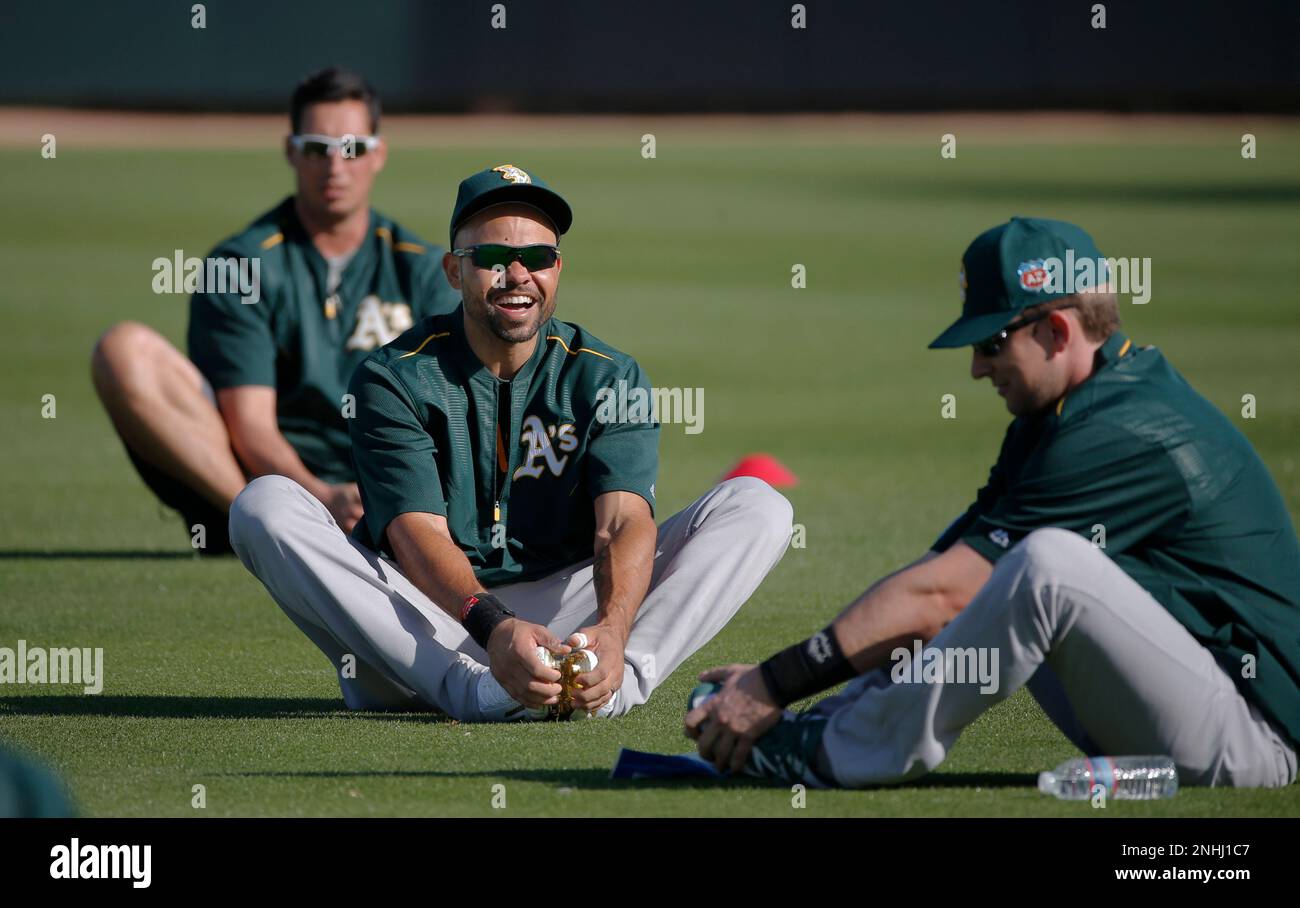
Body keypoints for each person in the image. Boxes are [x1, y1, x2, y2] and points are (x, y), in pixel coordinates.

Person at [686, 217, 1299, 789]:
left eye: (993, 342)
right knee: (989, 573)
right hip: (1187, 708)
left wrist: (771, 683)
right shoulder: (1063, 414)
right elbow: (938, 579)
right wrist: (797, 697)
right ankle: (836, 728)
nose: (977, 368)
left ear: (1057, 331)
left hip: (1254, 739)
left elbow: (944, 595)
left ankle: (834, 757)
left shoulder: (1125, 430)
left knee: (1044, 566)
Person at [228, 164, 794, 722]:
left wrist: (613, 629)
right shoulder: (395, 377)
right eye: (493, 258)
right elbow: (416, 534)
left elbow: (620, 524)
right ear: (454, 270)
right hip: (422, 627)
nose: (518, 274)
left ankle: (611, 683)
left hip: (566, 618)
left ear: (558, 268)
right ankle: (469, 692)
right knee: (263, 506)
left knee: (758, 504)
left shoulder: (607, 377)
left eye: (539, 258)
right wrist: (494, 627)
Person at [91, 67, 458, 554]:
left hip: (389, 487)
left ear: (378, 153)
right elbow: (251, 427)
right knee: (123, 351)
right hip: (258, 485)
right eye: (315, 148)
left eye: (351, 148)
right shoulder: (243, 264)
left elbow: (455, 411)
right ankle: (272, 532)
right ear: (290, 151)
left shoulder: (425, 270)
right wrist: (322, 499)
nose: (334, 166)